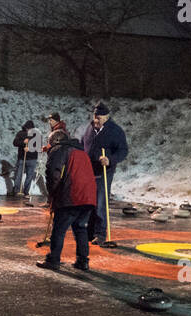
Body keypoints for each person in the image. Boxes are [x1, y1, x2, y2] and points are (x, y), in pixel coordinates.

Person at [37, 128, 96, 271]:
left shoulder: (59, 150)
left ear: (55, 141)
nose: (49, 145)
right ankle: (83, 261)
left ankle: (53, 260)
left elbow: (53, 174)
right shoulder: (81, 151)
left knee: (59, 228)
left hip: (72, 195)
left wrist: (52, 194)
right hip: (89, 196)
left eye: (49, 142)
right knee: (80, 228)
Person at [78, 102, 129, 243]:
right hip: (88, 171)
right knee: (89, 202)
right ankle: (89, 233)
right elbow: (82, 145)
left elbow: (123, 150)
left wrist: (110, 159)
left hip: (104, 171)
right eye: (94, 117)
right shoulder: (89, 129)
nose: (96, 120)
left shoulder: (115, 131)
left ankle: (100, 234)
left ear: (106, 117)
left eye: (99, 118)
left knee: (100, 203)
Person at [11, 120, 38, 199]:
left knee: (29, 176)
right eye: (27, 128)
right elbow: (15, 143)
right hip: (22, 158)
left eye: (30, 128)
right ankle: (16, 191)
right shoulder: (20, 133)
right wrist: (23, 142)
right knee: (19, 175)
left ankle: (26, 192)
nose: (28, 130)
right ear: (25, 127)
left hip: (32, 159)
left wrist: (30, 148)